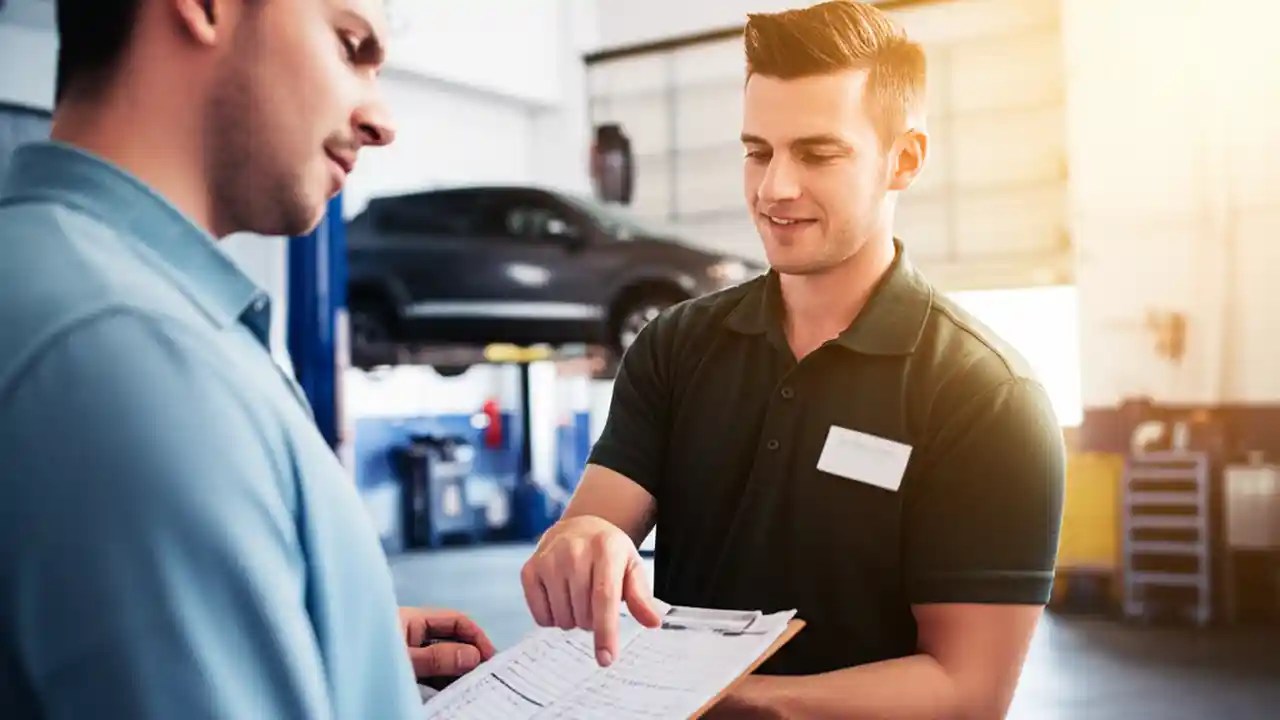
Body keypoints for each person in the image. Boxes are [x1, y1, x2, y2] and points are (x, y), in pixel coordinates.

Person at [520, 2, 1066, 718]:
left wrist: (731, 702)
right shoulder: (675, 346)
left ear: (904, 160)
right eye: (758, 150)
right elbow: (595, 527)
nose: (774, 187)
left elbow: (968, 689)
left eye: (817, 153)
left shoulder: (987, 398)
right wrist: (580, 542)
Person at [0, 1, 494, 717]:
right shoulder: (131, 354)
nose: (381, 120)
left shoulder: (72, 286)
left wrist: (335, 643)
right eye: (350, 45)